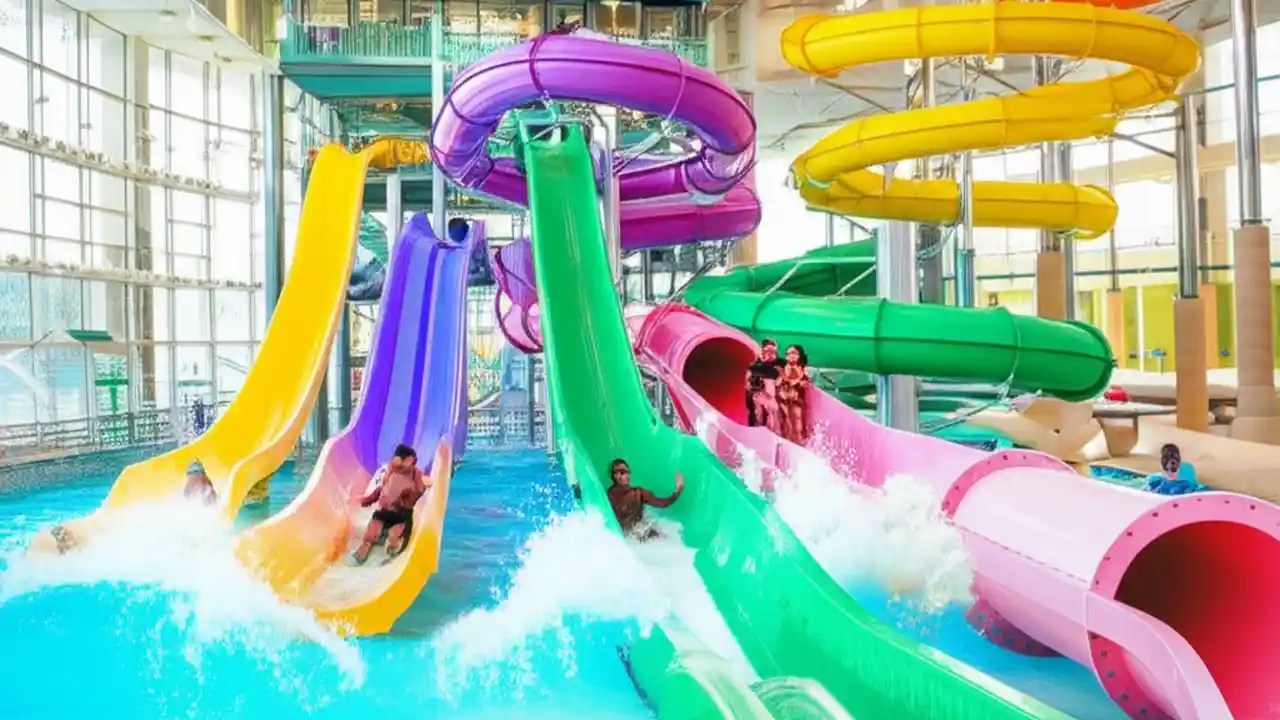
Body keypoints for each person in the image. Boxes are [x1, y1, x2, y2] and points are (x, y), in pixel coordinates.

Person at [353, 444, 428, 564]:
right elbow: (380, 491)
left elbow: (419, 491)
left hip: (402, 516)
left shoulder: (415, 474)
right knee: (372, 530)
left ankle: (391, 547)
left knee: (393, 539)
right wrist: (365, 501)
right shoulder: (391, 471)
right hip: (385, 512)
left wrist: (413, 491)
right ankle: (366, 546)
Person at [606, 458, 682, 539]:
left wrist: (677, 492)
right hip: (623, 536)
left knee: (658, 536)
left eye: (624, 472)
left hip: (641, 532)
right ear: (614, 476)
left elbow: (662, 503)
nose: (620, 475)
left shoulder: (638, 493)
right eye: (617, 473)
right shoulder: (609, 495)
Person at [745, 339, 784, 430]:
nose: (770, 354)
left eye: (773, 351)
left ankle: (769, 431)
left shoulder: (779, 365)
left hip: (770, 394)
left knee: (773, 412)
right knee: (762, 412)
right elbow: (746, 383)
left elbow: (779, 382)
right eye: (767, 351)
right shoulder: (754, 365)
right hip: (758, 395)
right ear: (762, 351)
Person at [777, 344, 811, 444]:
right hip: (785, 398)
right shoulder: (784, 369)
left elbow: (805, 383)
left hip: (796, 399)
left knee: (798, 420)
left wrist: (801, 382)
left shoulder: (803, 370)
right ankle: (789, 441)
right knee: (787, 420)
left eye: (794, 353)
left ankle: (799, 441)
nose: (791, 356)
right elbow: (781, 382)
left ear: (800, 355)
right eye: (788, 354)